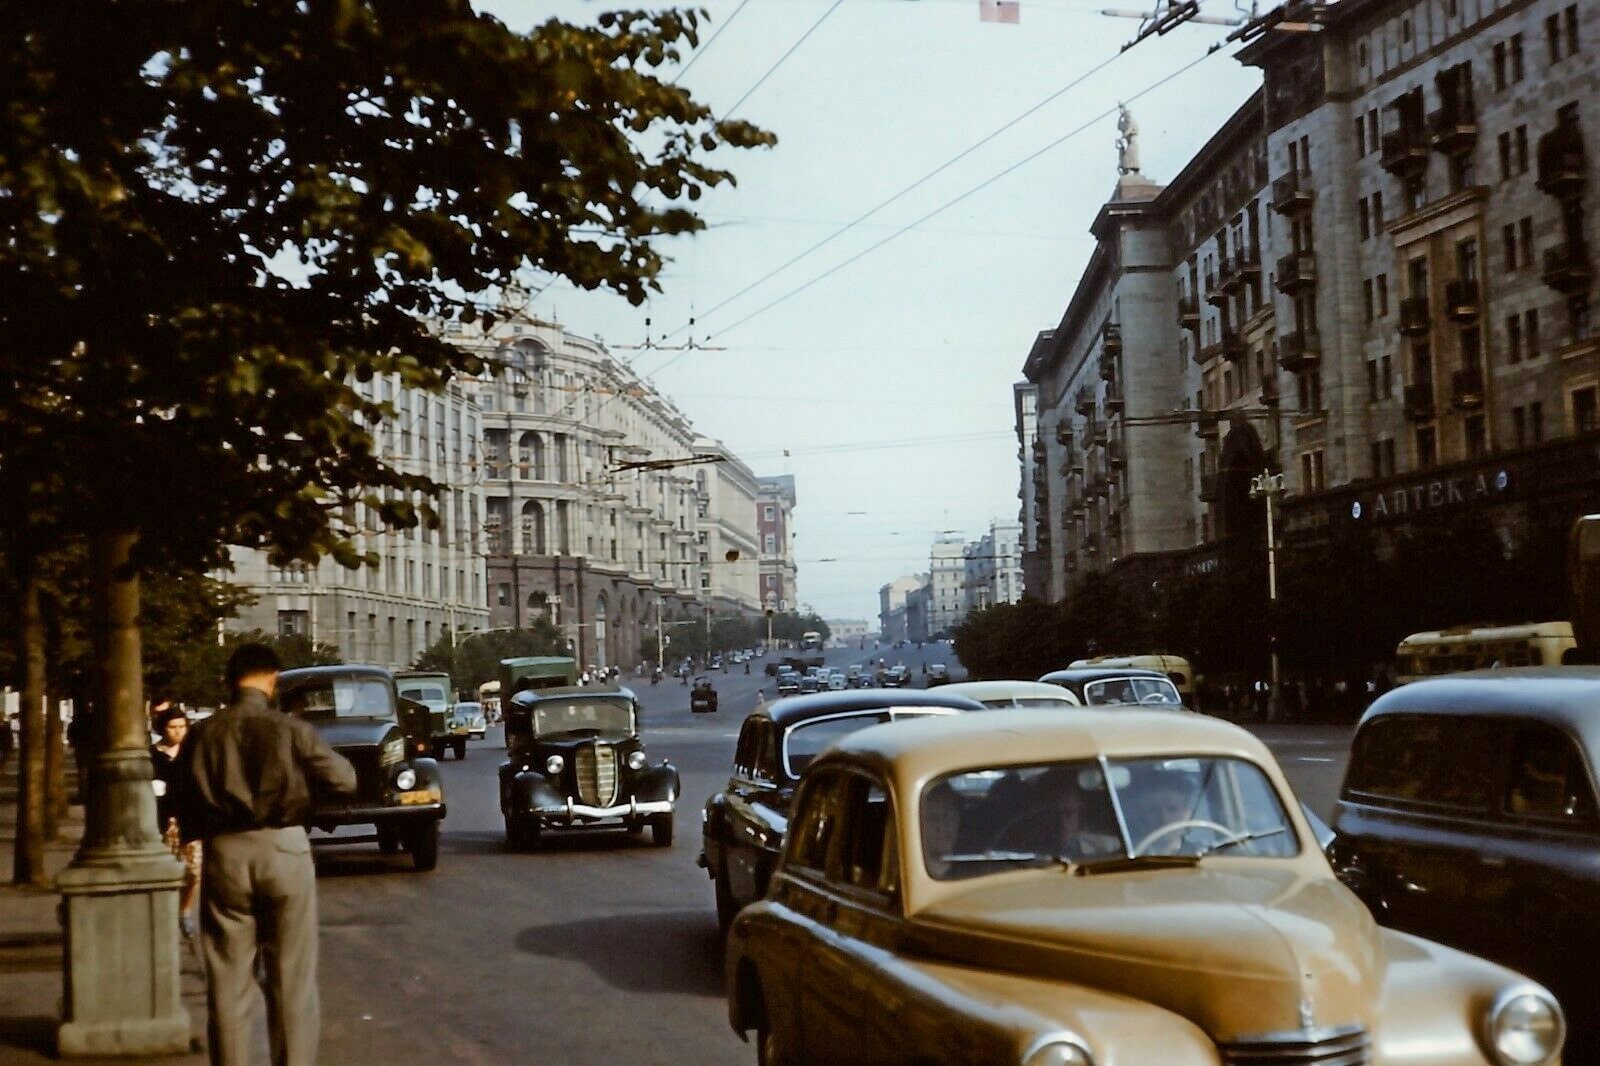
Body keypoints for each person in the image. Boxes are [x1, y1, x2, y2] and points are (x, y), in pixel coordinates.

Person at [179, 644, 356, 1066]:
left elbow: (182, 799)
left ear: (229, 680)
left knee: (227, 982)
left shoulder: (204, 733)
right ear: (273, 678)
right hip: (284, 846)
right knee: (291, 981)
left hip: (224, 852)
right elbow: (344, 780)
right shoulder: (290, 729)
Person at [150, 705, 201, 938]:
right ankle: (166, 915)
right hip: (162, 821)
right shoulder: (153, 755)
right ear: (163, 729)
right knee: (165, 871)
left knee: (194, 871)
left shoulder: (193, 753)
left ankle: (185, 910)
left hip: (190, 819)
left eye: (182, 726)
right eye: (173, 727)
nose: (178, 731)